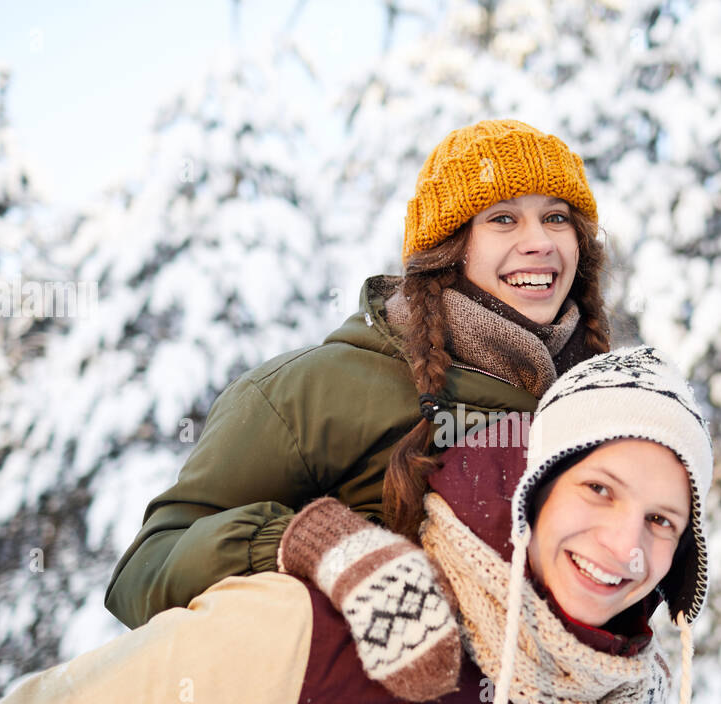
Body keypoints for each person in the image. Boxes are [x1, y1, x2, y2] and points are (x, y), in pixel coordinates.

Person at [0, 347, 713, 704]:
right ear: (535, 487)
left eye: (661, 521)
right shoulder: (315, 633)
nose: (624, 546)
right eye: (599, 490)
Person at [103, 118, 611, 646]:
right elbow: (148, 568)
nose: (540, 243)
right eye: (503, 219)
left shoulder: (596, 400)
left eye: (556, 217)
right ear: (450, 247)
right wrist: (315, 546)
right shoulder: (314, 389)